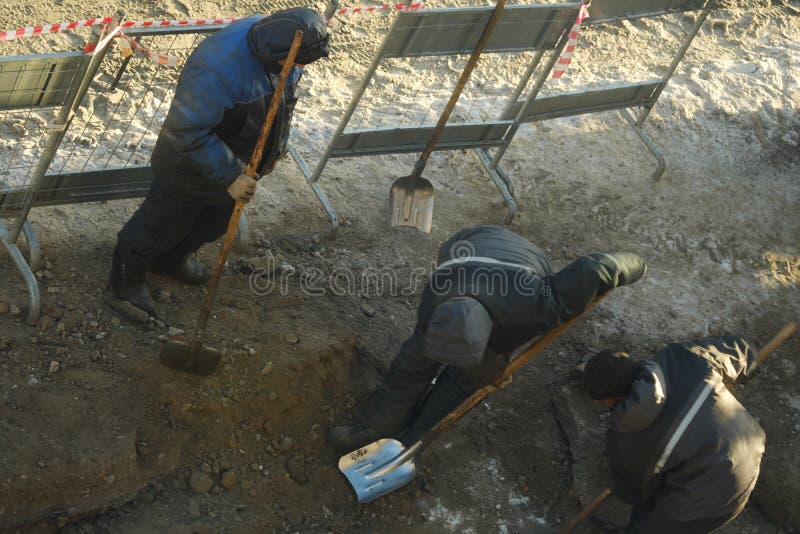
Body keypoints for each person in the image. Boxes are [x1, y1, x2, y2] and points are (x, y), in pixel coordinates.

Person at [329, 225, 647, 452]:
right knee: (413, 365)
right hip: (471, 240)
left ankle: (412, 441)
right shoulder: (435, 299)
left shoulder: (537, 303)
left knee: (465, 381)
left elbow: (596, 268)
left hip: (525, 263)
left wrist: (637, 265)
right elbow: (408, 369)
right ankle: (372, 427)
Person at [109, 8, 330, 317]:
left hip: (239, 162)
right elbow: (186, 130)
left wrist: (275, 150)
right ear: (276, 52)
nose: (298, 69)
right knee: (160, 225)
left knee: (212, 224)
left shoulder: (289, 47)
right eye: (295, 63)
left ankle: (170, 260)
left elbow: (285, 102)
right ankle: (125, 280)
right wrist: (231, 176)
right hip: (188, 165)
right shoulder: (217, 69)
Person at [581, 336, 766, 533]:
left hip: (716, 498)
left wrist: (617, 473)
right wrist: (752, 357)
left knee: (653, 518)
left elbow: (633, 492)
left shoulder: (630, 439)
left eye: (600, 399)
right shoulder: (681, 357)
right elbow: (739, 351)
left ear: (616, 397)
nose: (597, 403)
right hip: (751, 449)